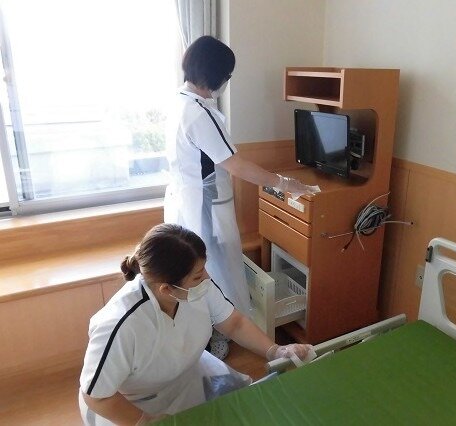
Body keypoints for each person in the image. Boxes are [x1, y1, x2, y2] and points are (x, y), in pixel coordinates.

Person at [164, 36, 318, 358]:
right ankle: (219, 335)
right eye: (227, 75)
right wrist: (285, 183)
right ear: (216, 74)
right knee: (215, 272)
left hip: (187, 203)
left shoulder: (180, 102)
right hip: (205, 208)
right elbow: (236, 165)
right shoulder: (198, 113)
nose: (227, 81)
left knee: (202, 271)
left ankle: (212, 333)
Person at [78, 223, 314, 425]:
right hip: (133, 403)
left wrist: (275, 350)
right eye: (198, 275)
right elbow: (97, 397)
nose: (207, 279)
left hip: (186, 373)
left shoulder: (196, 288)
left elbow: (234, 324)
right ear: (166, 289)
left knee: (243, 408)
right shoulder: (121, 325)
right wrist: (146, 421)